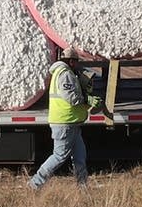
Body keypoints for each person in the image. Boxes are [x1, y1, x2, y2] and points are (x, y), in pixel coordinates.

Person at [30, 47, 101, 189]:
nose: (78, 64)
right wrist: (88, 99)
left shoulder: (66, 73)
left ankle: (82, 187)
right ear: (71, 61)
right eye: (76, 61)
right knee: (59, 156)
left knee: (80, 157)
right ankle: (35, 183)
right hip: (64, 123)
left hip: (72, 123)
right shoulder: (65, 74)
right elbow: (71, 97)